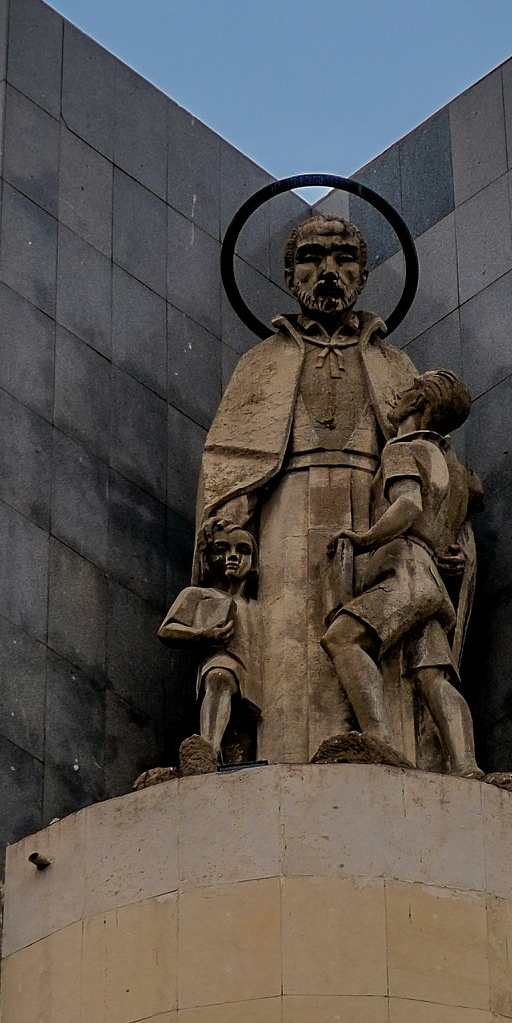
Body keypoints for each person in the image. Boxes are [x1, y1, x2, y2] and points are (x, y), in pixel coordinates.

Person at [188, 211, 420, 760]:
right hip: (285, 509)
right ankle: (273, 752)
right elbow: (236, 456)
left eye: (343, 258)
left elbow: (425, 451)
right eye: (312, 258)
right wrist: (230, 517)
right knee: (284, 639)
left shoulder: (393, 360)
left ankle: (384, 748)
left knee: (370, 635)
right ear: (292, 275)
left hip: (375, 506)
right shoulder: (263, 361)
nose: (328, 271)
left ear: (362, 273)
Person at [320, 369, 481, 775]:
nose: (397, 397)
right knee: (433, 677)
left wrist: (364, 538)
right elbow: (454, 536)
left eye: (406, 391)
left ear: (417, 404)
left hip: (405, 572)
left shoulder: (400, 450)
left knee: (341, 639)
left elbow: (407, 506)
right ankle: (466, 765)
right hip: (433, 585)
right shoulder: (456, 471)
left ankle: (380, 740)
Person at [155, 519, 255, 773]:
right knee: (219, 677)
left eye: (243, 551)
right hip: (222, 657)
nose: (233, 557)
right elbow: (167, 629)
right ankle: (208, 750)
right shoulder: (198, 594)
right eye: (223, 550)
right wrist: (203, 635)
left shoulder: (258, 608)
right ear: (210, 557)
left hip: (255, 670)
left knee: (243, 732)